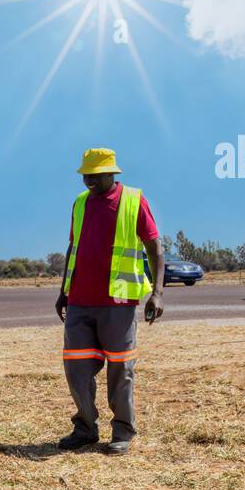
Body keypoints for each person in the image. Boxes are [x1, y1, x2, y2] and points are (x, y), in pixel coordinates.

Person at [54, 148, 165, 455]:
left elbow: (155, 248)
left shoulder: (133, 200)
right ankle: (85, 429)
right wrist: (64, 290)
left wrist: (157, 292)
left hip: (118, 302)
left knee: (120, 370)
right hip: (79, 301)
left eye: (94, 175)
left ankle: (123, 432)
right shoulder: (79, 203)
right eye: (85, 175)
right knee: (76, 369)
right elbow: (72, 248)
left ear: (111, 173)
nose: (88, 180)